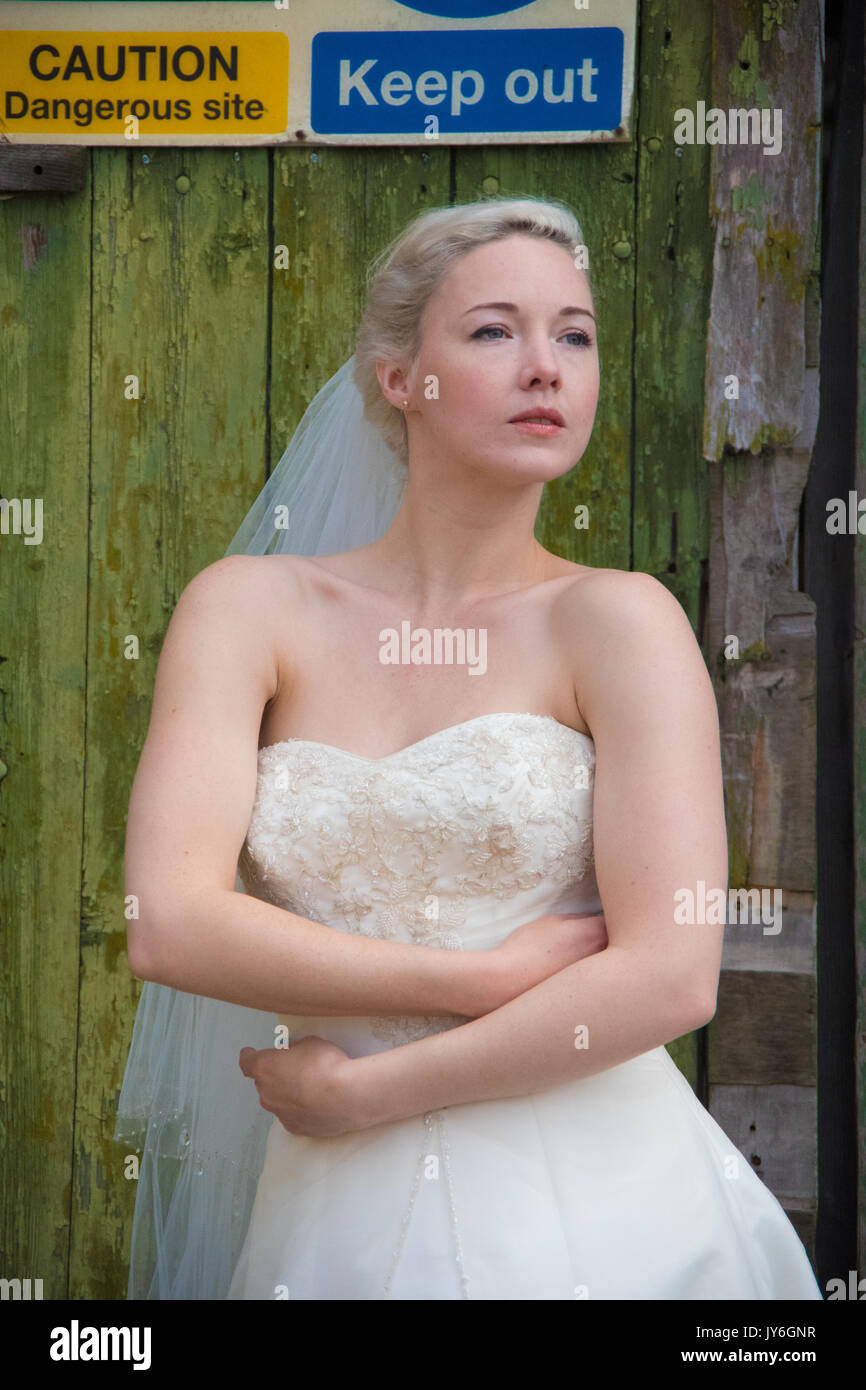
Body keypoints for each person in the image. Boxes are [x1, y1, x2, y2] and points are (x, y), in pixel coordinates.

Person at [116, 195, 822, 1300]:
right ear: (399, 376)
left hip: (591, 1206)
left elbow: (670, 973)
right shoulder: (247, 609)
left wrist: (374, 1095)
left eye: (574, 335)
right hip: (327, 1214)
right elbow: (167, 922)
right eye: (493, 330)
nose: (545, 366)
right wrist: (471, 976)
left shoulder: (617, 620)